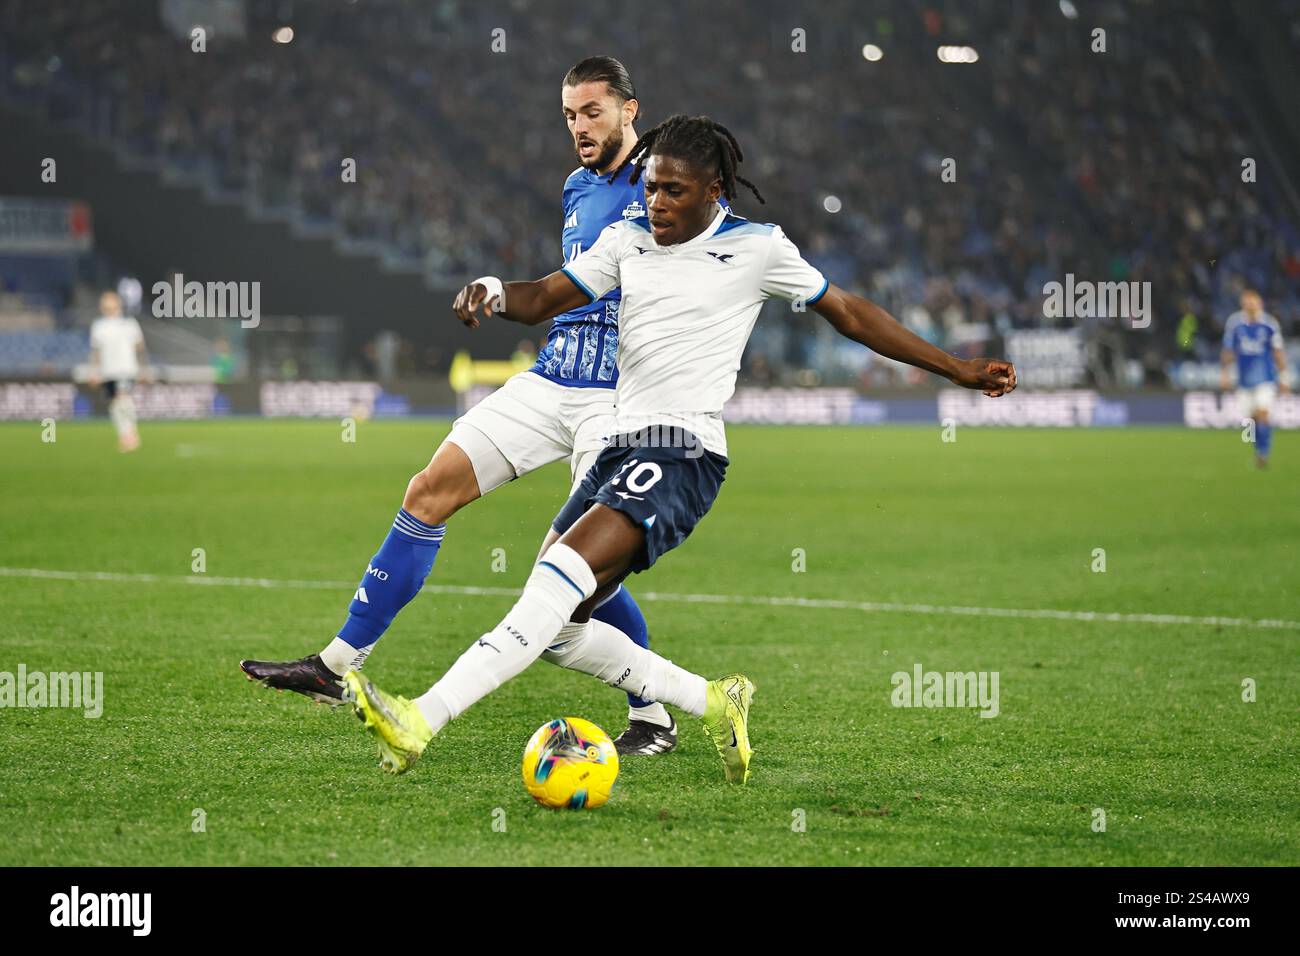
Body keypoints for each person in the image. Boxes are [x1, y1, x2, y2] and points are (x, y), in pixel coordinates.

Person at [342, 114, 1017, 783]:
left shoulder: (757, 248)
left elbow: (851, 312)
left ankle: (419, 720)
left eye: (673, 191)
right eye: (652, 186)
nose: (655, 202)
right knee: (560, 628)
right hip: (619, 447)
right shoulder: (626, 239)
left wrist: (956, 368)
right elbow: (545, 295)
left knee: (549, 590)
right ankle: (713, 700)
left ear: (716, 189)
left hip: (681, 452)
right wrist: (493, 290)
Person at [241, 57, 683, 755]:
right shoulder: (575, 187)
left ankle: (654, 715)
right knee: (428, 490)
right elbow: (566, 286)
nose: (579, 126)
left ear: (631, 109)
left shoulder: (668, 176)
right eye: (569, 115)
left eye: (593, 112)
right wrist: (497, 290)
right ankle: (335, 667)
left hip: (621, 395)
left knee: (577, 562)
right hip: (553, 376)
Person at [1221, 289, 1288, 468]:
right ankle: (1258, 450)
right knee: (1251, 421)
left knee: (1263, 415)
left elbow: (1278, 352)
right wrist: (1225, 373)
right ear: (1243, 304)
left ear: (1260, 304)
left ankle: (1263, 453)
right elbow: (1228, 350)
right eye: (1247, 302)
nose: (1250, 305)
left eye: (1254, 302)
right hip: (1243, 381)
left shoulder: (1269, 324)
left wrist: (1284, 378)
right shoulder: (1235, 324)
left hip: (1266, 378)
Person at [86, 290, 149, 452]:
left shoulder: (129, 324)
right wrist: (93, 372)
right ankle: (125, 434)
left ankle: (130, 435)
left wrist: (144, 369)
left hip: (126, 369)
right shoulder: (99, 326)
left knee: (123, 398)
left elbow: (140, 347)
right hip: (108, 371)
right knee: (115, 404)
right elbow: (95, 352)